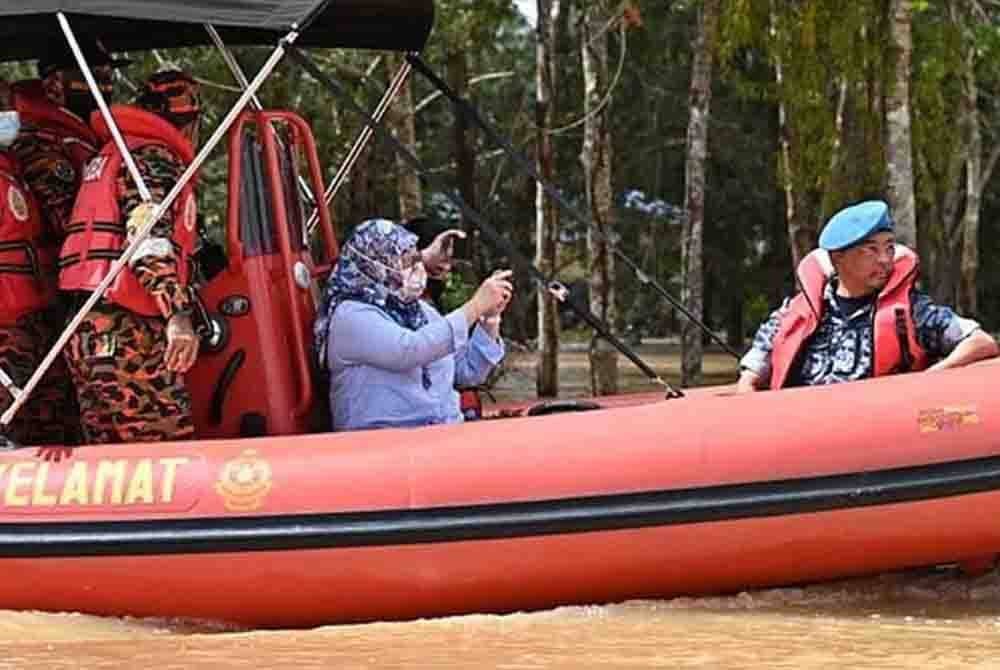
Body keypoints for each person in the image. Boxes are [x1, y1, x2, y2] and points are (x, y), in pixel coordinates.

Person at [59, 69, 201, 444]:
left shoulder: (109, 156)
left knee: (108, 459)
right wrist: (177, 314)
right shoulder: (153, 157)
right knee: (163, 450)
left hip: (86, 331)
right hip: (128, 332)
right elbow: (148, 238)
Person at [737, 200, 998, 392]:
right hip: (801, 436)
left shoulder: (912, 311)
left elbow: (980, 342)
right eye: (871, 250)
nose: (885, 260)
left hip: (878, 435)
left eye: (889, 247)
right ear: (838, 257)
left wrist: (927, 379)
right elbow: (750, 377)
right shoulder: (792, 314)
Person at [314, 218, 512, 431]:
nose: (417, 269)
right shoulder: (351, 315)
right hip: (381, 443)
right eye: (406, 262)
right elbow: (410, 349)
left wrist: (489, 319)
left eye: (415, 260)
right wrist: (474, 307)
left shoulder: (417, 310)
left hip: (442, 434)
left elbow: (467, 370)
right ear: (376, 264)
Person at [0, 80, 72, 445]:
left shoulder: (13, 168)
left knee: (47, 417)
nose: (8, 114)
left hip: (32, 317)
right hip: (6, 323)